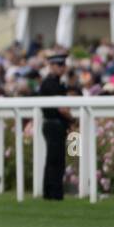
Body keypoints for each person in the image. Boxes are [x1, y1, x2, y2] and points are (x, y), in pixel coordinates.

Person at [39, 54, 73, 200]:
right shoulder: (50, 83)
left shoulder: (58, 82)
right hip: (54, 124)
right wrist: (73, 119)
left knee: (54, 160)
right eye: (59, 65)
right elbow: (62, 108)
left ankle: (50, 193)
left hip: (55, 125)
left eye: (63, 65)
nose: (62, 68)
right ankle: (54, 194)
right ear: (51, 66)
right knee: (55, 160)